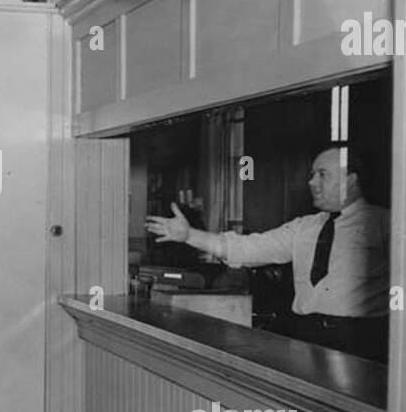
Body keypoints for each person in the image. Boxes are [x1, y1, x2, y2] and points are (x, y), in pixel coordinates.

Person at [146, 144, 390, 361]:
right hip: (307, 338)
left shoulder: (384, 223)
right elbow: (247, 248)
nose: (311, 182)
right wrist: (189, 235)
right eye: (312, 174)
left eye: (322, 175)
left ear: (350, 179)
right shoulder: (304, 227)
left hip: (359, 342)